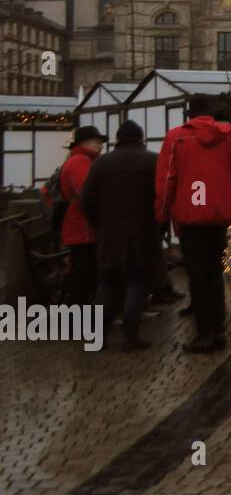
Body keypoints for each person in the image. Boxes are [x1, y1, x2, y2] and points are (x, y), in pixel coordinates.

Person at [156, 94, 231, 353]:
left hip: (190, 217)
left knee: (197, 276)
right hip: (219, 215)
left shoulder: (176, 138)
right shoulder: (230, 135)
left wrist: (162, 215)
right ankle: (218, 328)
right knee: (214, 272)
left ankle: (206, 332)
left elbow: (167, 181)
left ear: (190, 116)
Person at [79, 121, 160, 351]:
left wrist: (100, 224)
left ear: (117, 139)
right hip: (144, 233)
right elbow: (162, 197)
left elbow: (85, 201)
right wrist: (158, 225)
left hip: (110, 235)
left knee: (108, 284)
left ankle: (97, 336)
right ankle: (129, 335)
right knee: (138, 282)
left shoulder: (101, 163)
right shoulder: (152, 161)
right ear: (141, 139)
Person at [59, 125, 106, 305]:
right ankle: (74, 319)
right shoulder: (80, 161)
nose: (100, 146)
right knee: (84, 275)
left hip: (81, 226)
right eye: (97, 142)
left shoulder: (81, 160)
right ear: (84, 143)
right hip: (83, 228)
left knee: (84, 274)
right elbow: (88, 193)